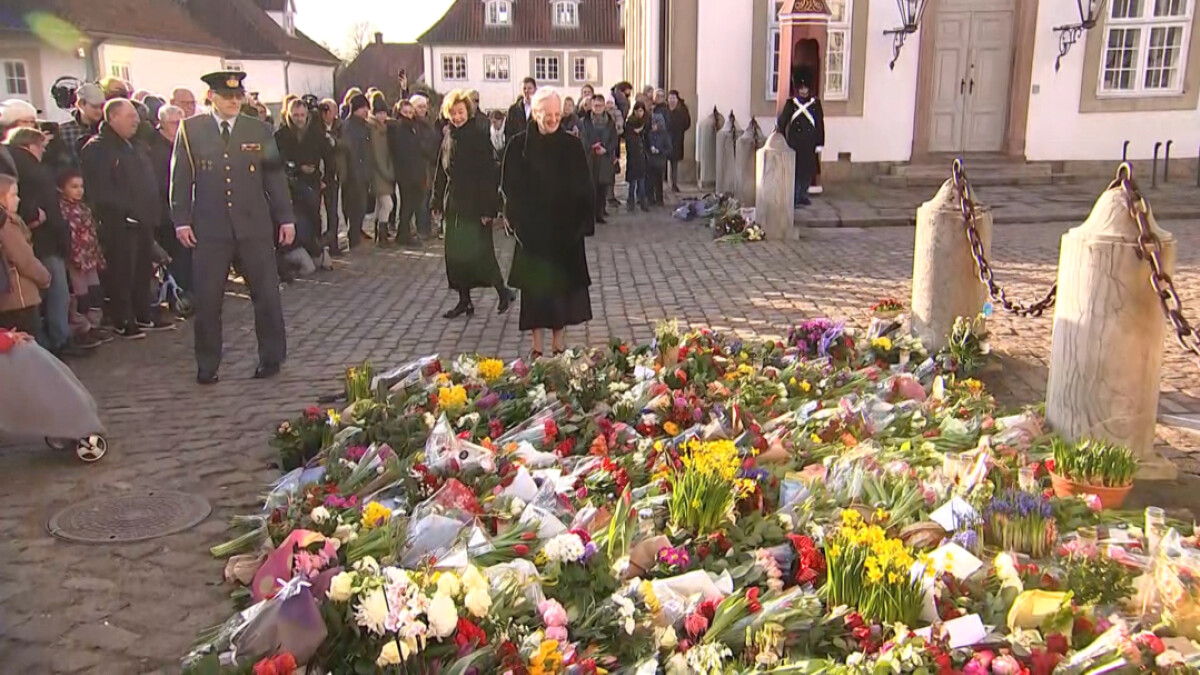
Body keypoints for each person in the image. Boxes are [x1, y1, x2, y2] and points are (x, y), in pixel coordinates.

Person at [170, 71, 295, 384]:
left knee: (266, 295)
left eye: (238, 96)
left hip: (254, 225)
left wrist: (286, 218)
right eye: (227, 97)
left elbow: (274, 176)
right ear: (211, 96)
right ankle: (207, 364)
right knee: (208, 299)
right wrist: (181, 220)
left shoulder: (259, 130)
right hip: (210, 227)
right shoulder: (191, 129)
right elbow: (180, 178)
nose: (234, 102)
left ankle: (271, 357)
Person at [501, 87, 593, 358]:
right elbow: (508, 187)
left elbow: (585, 187)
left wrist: (580, 223)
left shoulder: (571, 145)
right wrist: (516, 221)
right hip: (532, 232)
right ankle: (536, 348)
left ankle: (558, 344)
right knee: (535, 293)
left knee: (561, 292)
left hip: (565, 232)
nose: (553, 120)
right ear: (535, 114)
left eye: (557, 114)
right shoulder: (518, 145)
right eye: (547, 114)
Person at [81, 99, 173, 340]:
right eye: (130, 116)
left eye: (136, 116)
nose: (136, 121)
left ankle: (143, 313)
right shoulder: (98, 148)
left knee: (143, 270)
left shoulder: (136, 146)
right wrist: (125, 212)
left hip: (144, 219)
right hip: (119, 223)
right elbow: (99, 189)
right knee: (122, 271)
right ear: (112, 118)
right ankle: (123, 319)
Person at [7, 127, 94, 355]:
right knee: (57, 292)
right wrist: (34, 215)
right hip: (46, 240)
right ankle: (59, 340)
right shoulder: (29, 168)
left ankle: (55, 339)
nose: (43, 152)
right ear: (30, 146)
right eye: (42, 147)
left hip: (42, 238)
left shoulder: (20, 166)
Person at [431, 89, 514, 319]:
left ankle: (503, 291)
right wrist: (436, 200)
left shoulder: (478, 136)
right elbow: (441, 170)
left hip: (475, 204)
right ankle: (464, 300)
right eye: (453, 113)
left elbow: (489, 174)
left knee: (481, 252)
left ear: (468, 111)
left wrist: (489, 208)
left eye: (461, 112)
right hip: (454, 202)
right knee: (456, 254)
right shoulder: (449, 136)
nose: (457, 117)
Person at [57, 170, 107, 337]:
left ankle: (94, 324)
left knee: (95, 291)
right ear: (62, 188)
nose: (79, 190)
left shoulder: (84, 207)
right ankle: (82, 328)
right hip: (75, 259)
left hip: (90, 256)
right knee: (80, 294)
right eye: (74, 187)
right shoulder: (62, 210)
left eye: (81, 186)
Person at [148, 104, 191, 298]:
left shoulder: (184, 144)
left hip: (186, 210)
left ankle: (188, 293)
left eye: (182, 122)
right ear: (163, 123)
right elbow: (160, 184)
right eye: (175, 123)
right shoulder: (155, 148)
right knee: (174, 258)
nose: (179, 126)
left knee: (186, 257)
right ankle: (177, 296)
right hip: (165, 212)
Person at [0, 175, 52, 334]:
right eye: (13, 195)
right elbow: (24, 259)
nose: (18, 199)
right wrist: (45, 278)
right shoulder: (6, 224)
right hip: (19, 297)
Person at [275, 98, 326, 258]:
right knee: (298, 217)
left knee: (315, 215)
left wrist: (325, 178)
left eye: (302, 115)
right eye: (295, 115)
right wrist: (298, 167)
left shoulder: (315, 133)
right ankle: (301, 248)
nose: (299, 119)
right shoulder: (281, 135)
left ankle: (316, 250)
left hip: (313, 180)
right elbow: (279, 160)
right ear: (289, 115)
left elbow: (327, 156)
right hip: (293, 183)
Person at [777, 67, 824, 207]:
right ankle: (795, 196)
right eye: (801, 88)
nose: (803, 91)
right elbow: (782, 122)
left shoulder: (815, 104)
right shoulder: (791, 104)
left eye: (806, 88)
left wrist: (820, 142)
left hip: (809, 143)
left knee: (807, 170)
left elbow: (819, 124)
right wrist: (780, 138)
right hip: (795, 142)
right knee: (795, 170)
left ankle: (802, 194)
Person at [389, 100, 428, 247]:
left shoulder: (412, 127)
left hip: (415, 171)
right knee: (407, 204)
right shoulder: (400, 128)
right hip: (406, 173)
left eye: (411, 112)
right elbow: (403, 152)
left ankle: (404, 232)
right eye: (405, 112)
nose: (408, 115)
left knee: (410, 204)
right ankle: (403, 234)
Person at [46, 83, 105, 173]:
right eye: (95, 107)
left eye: (102, 107)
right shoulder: (64, 131)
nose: (99, 111)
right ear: (81, 104)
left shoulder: (106, 130)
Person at [578, 94, 618, 225]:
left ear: (604, 106)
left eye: (600, 106)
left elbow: (614, 139)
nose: (598, 108)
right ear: (592, 105)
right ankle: (589, 214)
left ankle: (600, 213)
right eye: (595, 105)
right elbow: (582, 138)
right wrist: (592, 147)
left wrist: (606, 149)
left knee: (603, 187)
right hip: (590, 158)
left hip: (605, 158)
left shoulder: (610, 122)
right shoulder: (585, 121)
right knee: (591, 187)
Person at [340, 93, 372, 248]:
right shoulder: (349, 127)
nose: (367, 111)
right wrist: (355, 174)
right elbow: (351, 152)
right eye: (364, 108)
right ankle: (353, 236)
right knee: (354, 206)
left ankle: (357, 232)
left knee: (361, 206)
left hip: (363, 173)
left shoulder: (364, 125)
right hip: (353, 174)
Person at [409, 94, 441, 239]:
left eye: (424, 106)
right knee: (421, 199)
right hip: (421, 164)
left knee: (428, 197)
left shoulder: (428, 123)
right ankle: (422, 229)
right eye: (419, 107)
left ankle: (427, 227)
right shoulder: (414, 125)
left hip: (431, 164)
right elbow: (420, 144)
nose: (423, 109)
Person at [366, 94, 396, 245]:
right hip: (379, 173)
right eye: (379, 113)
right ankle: (382, 236)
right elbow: (377, 154)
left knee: (380, 205)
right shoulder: (375, 130)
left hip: (382, 172)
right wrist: (388, 173)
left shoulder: (382, 128)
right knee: (387, 204)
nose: (383, 116)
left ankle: (379, 234)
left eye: (384, 113)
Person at [317, 98, 343, 255]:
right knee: (318, 214)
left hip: (332, 175)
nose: (327, 114)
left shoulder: (339, 127)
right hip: (319, 176)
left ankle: (333, 244)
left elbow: (345, 144)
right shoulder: (316, 128)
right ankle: (318, 244)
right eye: (325, 111)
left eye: (331, 111)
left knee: (333, 213)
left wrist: (333, 141)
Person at [622, 102, 649, 212]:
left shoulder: (646, 122)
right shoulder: (630, 123)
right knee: (632, 183)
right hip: (633, 156)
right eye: (638, 110)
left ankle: (643, 202)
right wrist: (635, 134)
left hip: (642, 156)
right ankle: (631, 202)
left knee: (642, 182)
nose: (640, 113)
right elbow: (627, 138)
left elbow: (648, 137)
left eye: (641, 111)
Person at [666, 90, 691, 192]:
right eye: (670, 98)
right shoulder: (665, 109)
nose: (672, 100)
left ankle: (674, 183)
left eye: (674, 98)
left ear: (677, 99)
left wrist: (679, 130)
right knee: (661, 161)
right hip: (665, 138)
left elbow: (687, 123)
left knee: (674, 162)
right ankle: (661, 184)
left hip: (677, 138)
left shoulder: (682, 110)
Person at [645, 111, 672, 206]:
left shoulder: (665, 135)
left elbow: (669, 149)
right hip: (650, 161)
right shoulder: (650, 134)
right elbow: (646, 146)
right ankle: (650, 199)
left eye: (654, 123)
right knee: (650, 182)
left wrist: (660, 151)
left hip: (660, 162)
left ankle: (659, 199)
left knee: (659, 182)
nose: (653, 126)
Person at [504, 77, 537, 143]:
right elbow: (508, 130)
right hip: (517, 145)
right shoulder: (513, 109)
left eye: (529, 88)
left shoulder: (540, 109)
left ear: (535, 89)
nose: (526, 91)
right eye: (524, 88)